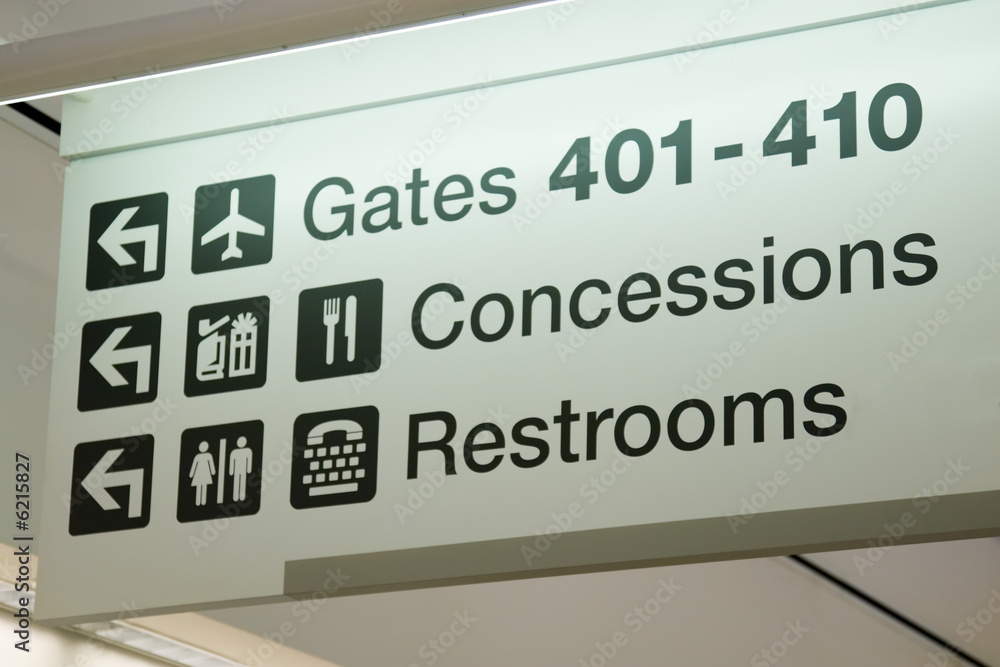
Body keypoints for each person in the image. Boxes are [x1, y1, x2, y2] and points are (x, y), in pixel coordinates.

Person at [189, 441, 216, 506]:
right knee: (199, 487)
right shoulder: (198, 456)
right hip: (198, 474)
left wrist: (213, 472)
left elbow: (211, 464)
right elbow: (194, 466)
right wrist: (191, 474)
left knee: (204, 487)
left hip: (206, 473)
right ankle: (198, 501)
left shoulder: (208, 455)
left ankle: (203, 501)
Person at [229, 436, 253, 502]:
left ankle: (242, 497)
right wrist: (231, 471)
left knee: (243, 482)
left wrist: (249, 469)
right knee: (236, 482)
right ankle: (235, 497)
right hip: (236, 470)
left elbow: (249, 460)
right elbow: (232, 462)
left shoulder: (248, 451)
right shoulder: (234, 452)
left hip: (243, 470)